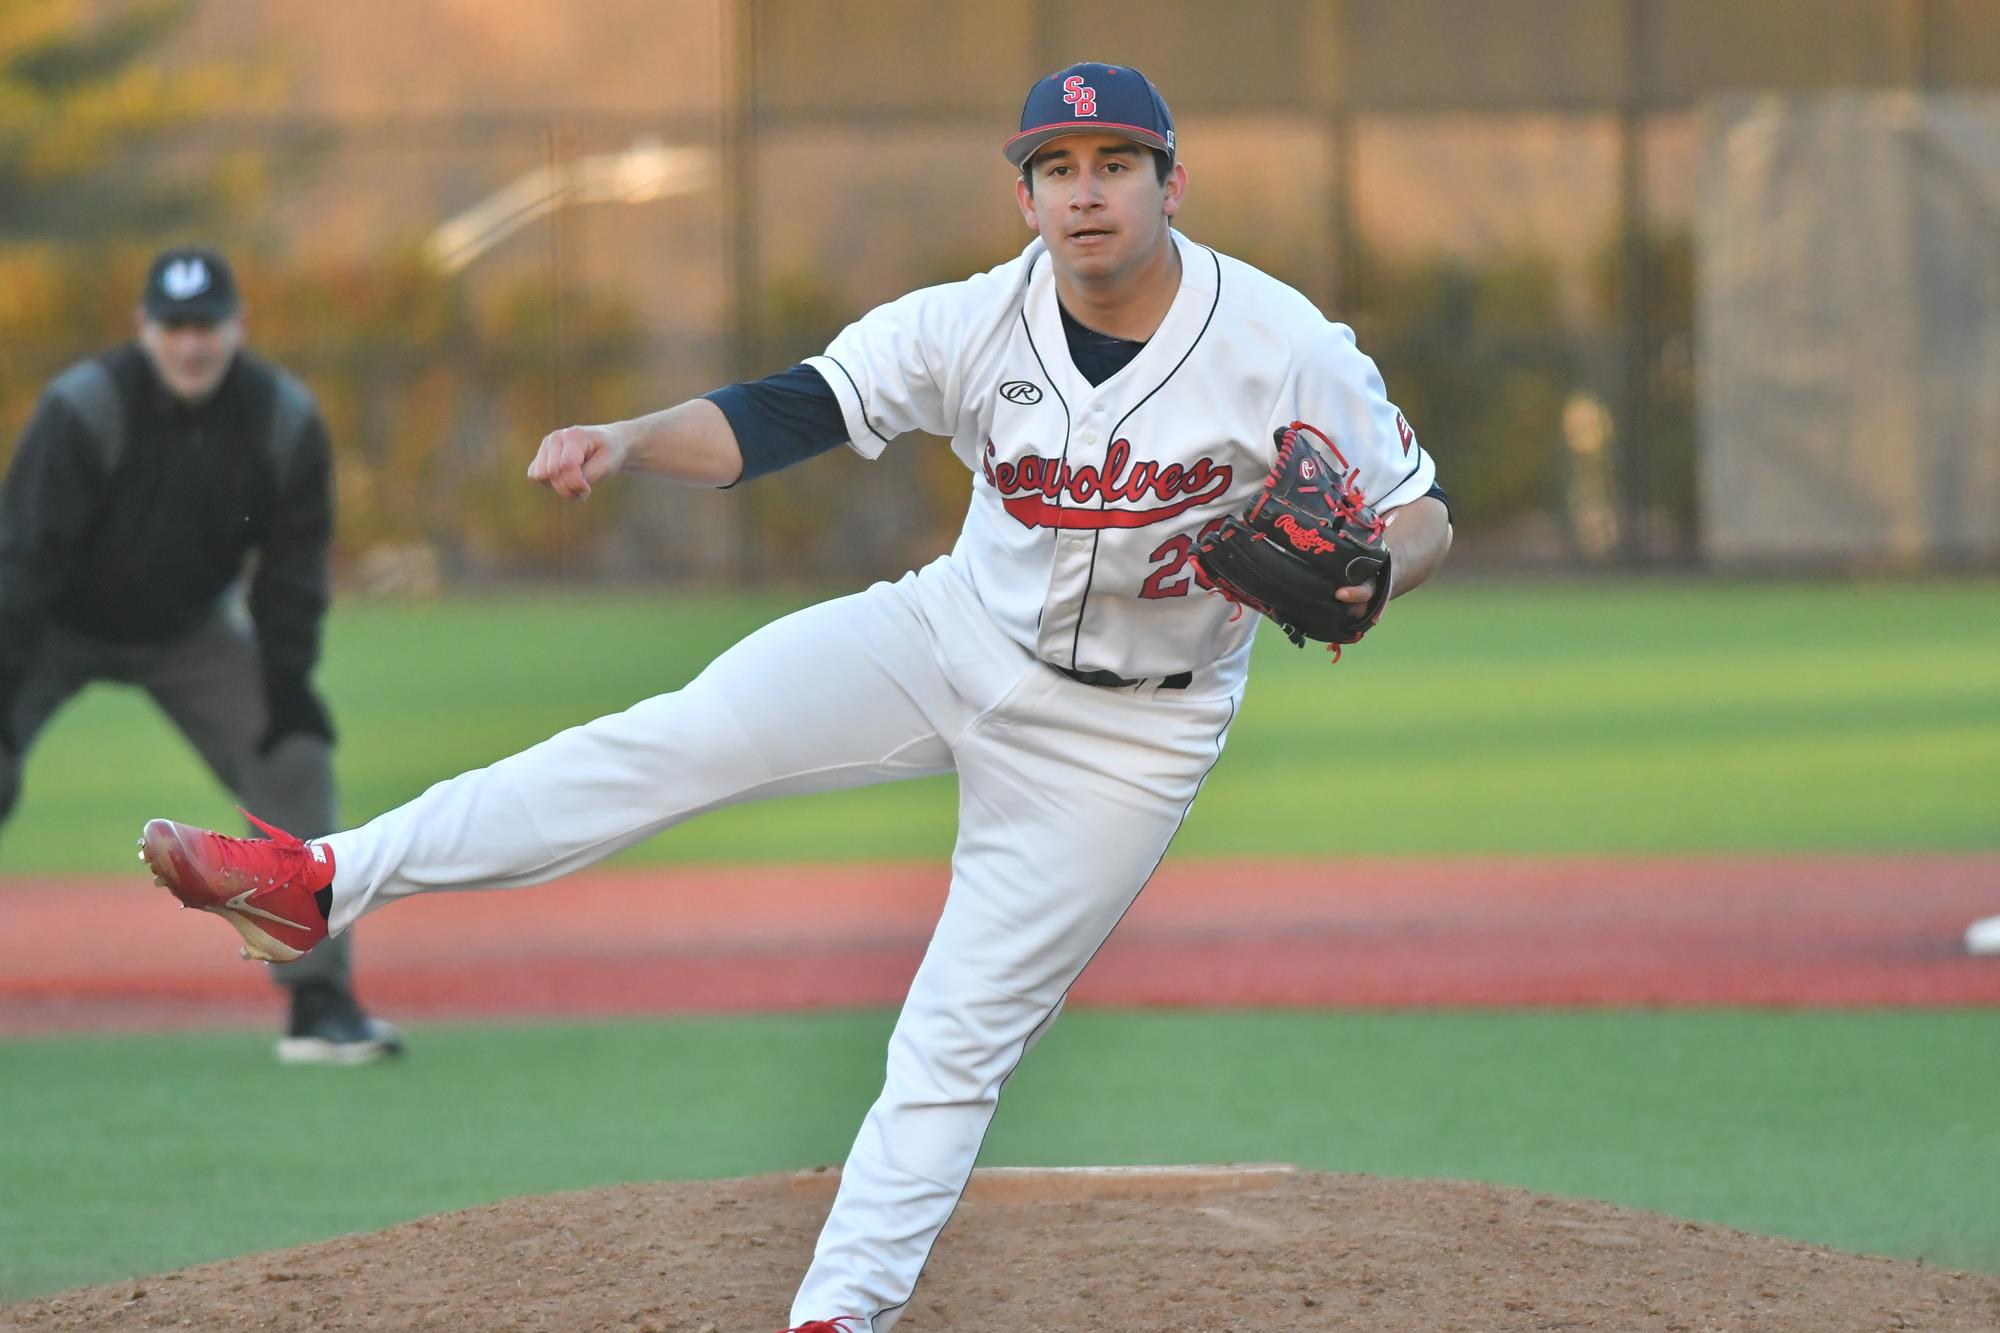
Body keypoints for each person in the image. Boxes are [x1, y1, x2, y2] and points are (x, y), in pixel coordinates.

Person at [136, 63, 1450, 1329]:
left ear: (1173, 182)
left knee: (956, 1038)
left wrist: (1379, 571)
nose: (1087, 192)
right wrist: (633, 439)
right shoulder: (975, 319)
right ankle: (315, 882)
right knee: (677, 736)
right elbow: (792, 410)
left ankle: (836, 1315)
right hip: (946, 635)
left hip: (1128, 736)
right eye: (1058, 167)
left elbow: (1418, 508)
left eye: (1117, 164)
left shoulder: (1279, 340)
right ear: (1025, 197)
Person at [1, 245, 403, 1066]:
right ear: (144, 327)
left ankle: (319, 1001)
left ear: (239, 328)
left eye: (208, 326)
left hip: (188, 629)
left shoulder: (281, 418)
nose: (193, 345)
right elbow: (24, 560)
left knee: (293, 750)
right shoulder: (84, 409)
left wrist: (287, 681)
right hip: (54, 622)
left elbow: (291, 571)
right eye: (176, 326)